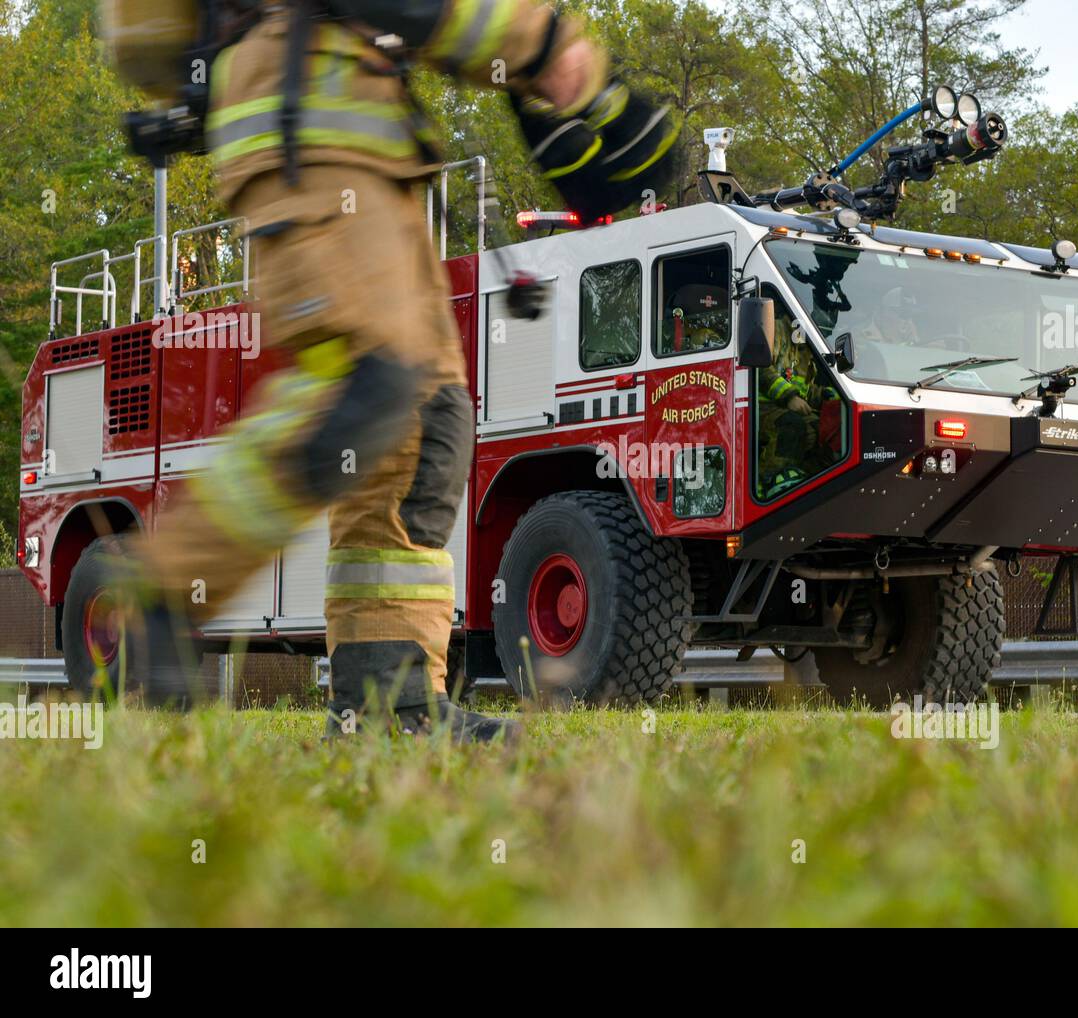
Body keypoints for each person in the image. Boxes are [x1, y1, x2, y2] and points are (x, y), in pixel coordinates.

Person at [116, 0, 678, 743]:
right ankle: (161, 593)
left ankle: (390, 706)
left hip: (367, 162)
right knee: (365, 387)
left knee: (422, 423)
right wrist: (546, 47)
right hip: (310, 146)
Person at [756, 305, 837, 497]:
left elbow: (804, 389)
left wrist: (825, 395)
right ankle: (769, 481)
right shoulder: (775, 330)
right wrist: (789, 397)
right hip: (759, 407)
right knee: (791, 426)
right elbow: (759, 368)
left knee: (823, 430)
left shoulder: (805, 350)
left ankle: (811, 485)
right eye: (818, 332)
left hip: (786, 407)